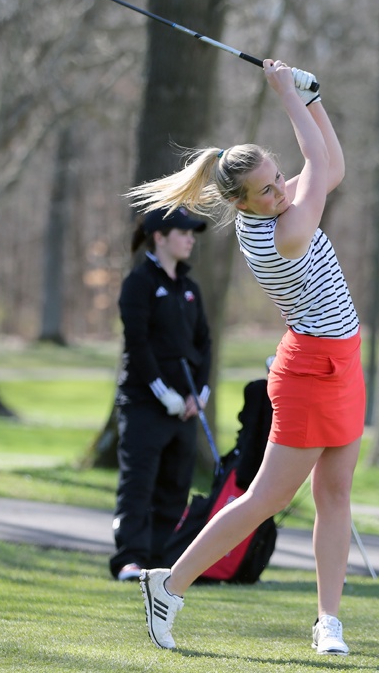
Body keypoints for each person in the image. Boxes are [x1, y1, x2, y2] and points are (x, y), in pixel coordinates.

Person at [126, 60, 363, 655]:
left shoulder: (281, 210)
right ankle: (168, 584)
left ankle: (328, 621)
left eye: (280, 178)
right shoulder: (281, 233)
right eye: (267, 188)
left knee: (336, 495)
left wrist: (312, 97)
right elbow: (322, 165)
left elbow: (328, 165)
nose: (281, 189)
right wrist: (290, 96)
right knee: (266, 498)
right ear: (243, 202)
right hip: (309, 371)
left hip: (345, 363)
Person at [109, 206, 212, 583]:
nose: (190, 238)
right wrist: (163, 393)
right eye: (183, 231)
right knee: (138, 484)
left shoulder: (189, 288)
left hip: (185, 409)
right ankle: (129, 559)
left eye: (191, 232)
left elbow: (204, 343)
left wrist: (199, 393)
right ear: (159, 237)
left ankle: (161, 560)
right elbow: (138, 345)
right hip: (144, 405)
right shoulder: (138, 283)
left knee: (175, 485)